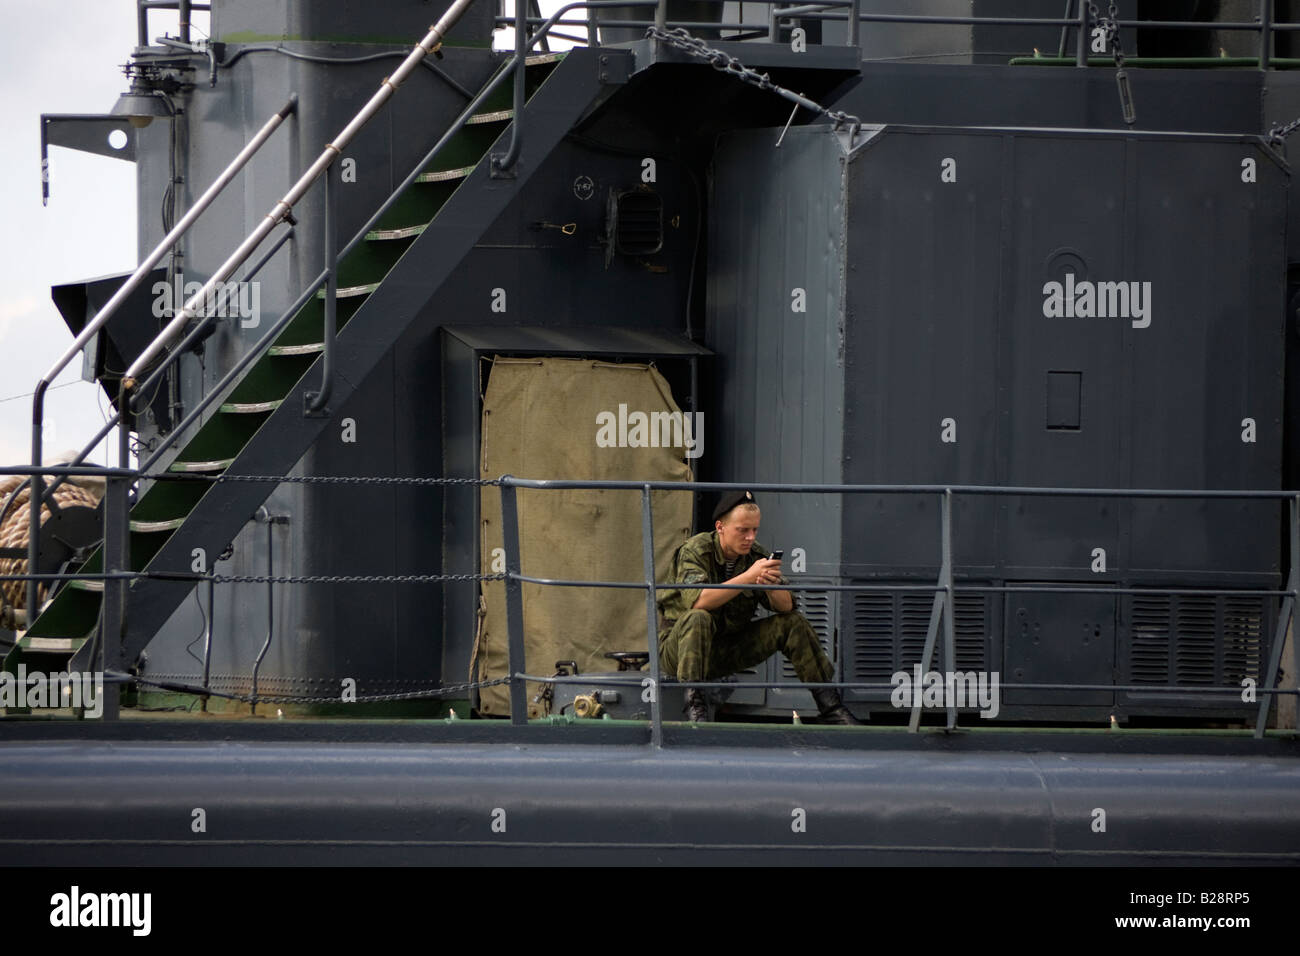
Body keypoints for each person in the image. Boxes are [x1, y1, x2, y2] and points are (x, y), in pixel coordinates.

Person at [657, 490, 862, 725]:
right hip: (680, 651)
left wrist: (771, 587)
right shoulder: (695, 550)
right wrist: (748, 576)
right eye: (742, 530)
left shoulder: (757, 556)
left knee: (792, 623)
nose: (750, 537)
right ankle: (695, 707)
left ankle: (831, 707)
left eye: (754, 530)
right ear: (720, 527)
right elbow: (698, 601)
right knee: (698, 617)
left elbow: (786, 609)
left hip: (726, 649)